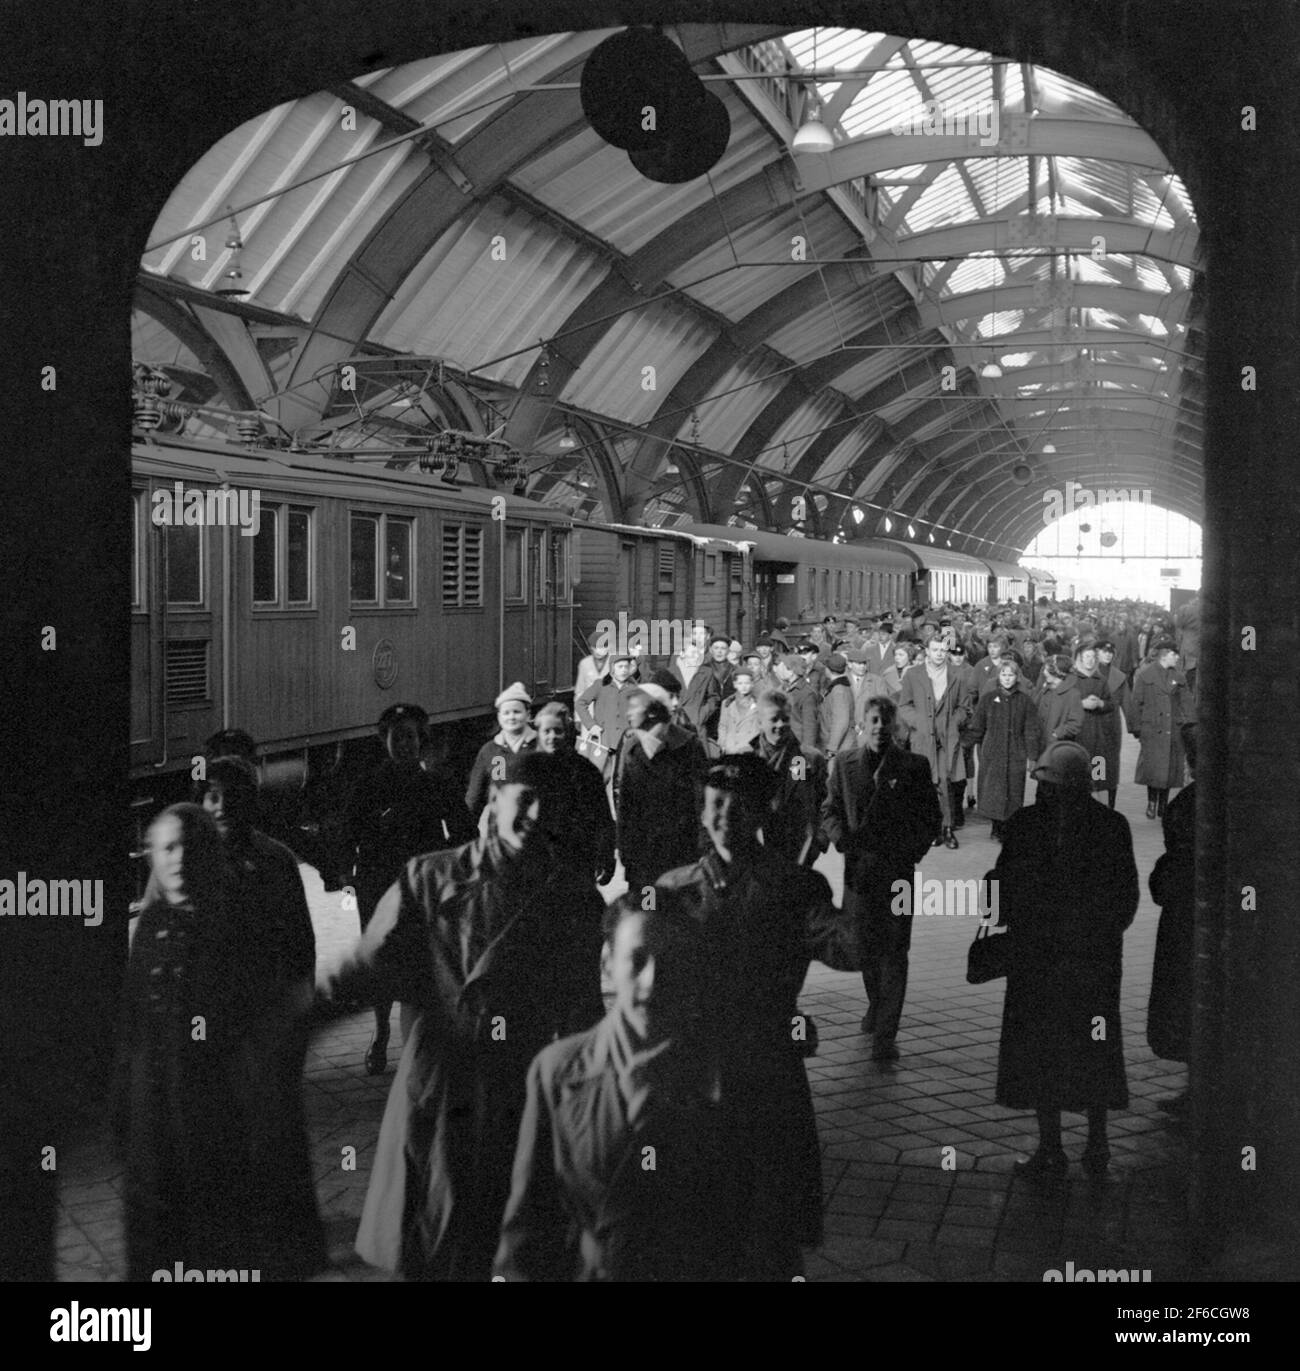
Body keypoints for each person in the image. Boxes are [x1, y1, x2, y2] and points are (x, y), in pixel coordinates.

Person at [315, 751, 605, 1282]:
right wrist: (296, 1020)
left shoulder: (572, 897)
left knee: (512, 1248)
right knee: (435, 1244)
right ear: (495, 801)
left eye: (551, 805)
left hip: (523, 1097)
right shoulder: (429, 878)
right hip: (441, 1091)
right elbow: (365, 970)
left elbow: (584, 1017)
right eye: (525, 799)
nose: (537, 815)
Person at [655, 756, 860, 1278]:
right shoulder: (672, 891)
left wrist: (869, 903)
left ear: (764, 810)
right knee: (699, 1225)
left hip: (767, 1074)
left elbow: (844, 948)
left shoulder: (794, 887)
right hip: (695, 1074)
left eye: (739, 804)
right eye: (716, 802)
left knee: (772, 1225)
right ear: (701, 812)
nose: (726, 813)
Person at [494, 895, 732, 1281]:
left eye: (671, 963)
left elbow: (762, 1234)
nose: (652, 981)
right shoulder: (557, 1070)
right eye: (637, 960)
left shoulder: (727, 1074)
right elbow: (530, 1220)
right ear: (607, 963)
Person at [113, 805, 271, 1281]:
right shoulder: (151, 926)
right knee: (154, 1225)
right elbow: (132, 1023)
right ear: (152, 858)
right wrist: (123, 1105)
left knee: (214, 1229)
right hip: (153, 1106)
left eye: (189, 846)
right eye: (166, 848)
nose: (178, 858)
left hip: (213, 1106)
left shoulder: (236, 923)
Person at [196, 757, 326, 1278]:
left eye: (233, 794)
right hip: (211, 1023)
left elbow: (301, 944)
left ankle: (292, 1239)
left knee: (278, 1132)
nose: (222, 804)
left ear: (253, 801)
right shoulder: (188, 863)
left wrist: (299, 1015)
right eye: (211, 795)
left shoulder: (276, 861)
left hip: (267, 1019)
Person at [990, 742, 1139, 1180]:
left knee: (1042, 1051)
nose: (1044, 791)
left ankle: (1053, 1148)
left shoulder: (1026, 826)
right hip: (1092, 964)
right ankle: (1095, 1145)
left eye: (1047, 784)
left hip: (1039, 961)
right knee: (1094, 1050)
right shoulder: (1111, 826)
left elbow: (1000, 890)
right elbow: (1125, 900)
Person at [342, 703, 468, 1074]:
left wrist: (458, 867)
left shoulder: (436, 783)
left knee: (425, 962)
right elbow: (347, 833)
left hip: (425, 888)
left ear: (421, 740)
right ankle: (380, 1035)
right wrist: (345, 872)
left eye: (411, 737)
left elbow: (462, 829)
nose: (404, 744)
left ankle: (420, 1041)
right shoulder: (368, 785)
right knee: (382, 962)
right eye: (397, 738)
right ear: (385, 741)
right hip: (378, 887)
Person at [820, 697, 940, 1060]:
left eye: (885, 721)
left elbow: (930, 819)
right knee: (864, 946)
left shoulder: (914, 767)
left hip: (897, 874)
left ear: (894, 727)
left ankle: (886, 1034)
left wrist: (911, 852)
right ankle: (877, 1004)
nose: (878, 727)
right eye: (872, 721)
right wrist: (840, 839)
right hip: (859, 873)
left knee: (895, 950)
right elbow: (829, 808)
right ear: (861, 724)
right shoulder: (844, 763)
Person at [612, 684, 710, 894]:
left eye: (634, 707)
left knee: (682, 917)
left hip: (682, 857)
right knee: (649, 916)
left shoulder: (689, 746)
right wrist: (625, 852)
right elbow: (625, 807)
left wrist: (706, 850)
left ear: (653, 711)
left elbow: (703, 802)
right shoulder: (632, 748)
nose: (628, 713)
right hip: (644, 860)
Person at [1147, 721, 1197, 1114]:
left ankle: (1200, 1085)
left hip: (1184, 915)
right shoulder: (1193, 801)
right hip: (1185, 910)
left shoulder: (1189, 804)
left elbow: (1176, 859)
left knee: (1185, 993)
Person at [898, 635, 975, 849]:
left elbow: (965, 708)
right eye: (935, 650)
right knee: (925, 784)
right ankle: (931, 829)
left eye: (943, 650)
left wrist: (953, 723)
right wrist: (920, 723)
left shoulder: (957, 676)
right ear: (927, 651)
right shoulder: (913, 675)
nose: (940, 654)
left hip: (947, 739)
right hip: (923, 739)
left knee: (945, 781)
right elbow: (904, 705)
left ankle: (947, 829)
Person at [533, 700, 615, 885]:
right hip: (539, 866)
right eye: (546, 731)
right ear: (538, 734)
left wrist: (607, 858)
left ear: (568, 733)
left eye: (558, 731)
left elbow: (603, 818)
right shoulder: (528, 770)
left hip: (577, 863)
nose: (552, 737)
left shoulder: (586, 771)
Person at [960, 663, 1044, 841]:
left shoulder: (1025, 701)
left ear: (1017, 677)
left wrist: (1032, 756)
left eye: (1011, 675)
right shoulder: (988, 698)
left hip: (1016, 752)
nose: (1007, 678)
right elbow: (977, 726)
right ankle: (996, 826)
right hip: (993, 752)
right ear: (998, 677)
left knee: (1014, 790)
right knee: (994, 790)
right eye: (1004, 675)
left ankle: (1009, 826)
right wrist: (963, 745)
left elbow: (1031, 730)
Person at [749, 690, 826, 865]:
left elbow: (826, 801)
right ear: (760, 722)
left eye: (785, 719)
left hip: (799, 850)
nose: (781, 725)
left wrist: (819, 839)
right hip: (758, 853)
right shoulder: (746, 759)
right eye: (774, 719)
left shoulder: (809, 758)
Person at [1130, 639, 1189, 819]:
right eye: (1174, 654)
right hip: (1152, 729)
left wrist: (1189, 726)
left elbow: (1187, 703)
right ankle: (1152, 802)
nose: (1177, 657)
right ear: (1165, 655)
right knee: (1153, 769)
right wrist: (1137, 729)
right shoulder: (1145, 675)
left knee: (1170, 769)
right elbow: (1136, 703)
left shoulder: (1179, 677)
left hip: (1172, 729)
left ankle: (1163, 804)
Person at [465, 682, 538, 818]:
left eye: (517, 712)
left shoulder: (540, 747)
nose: (511, 717)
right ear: (499, 717)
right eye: (506, 713)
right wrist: (466, 827)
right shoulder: (489, 750)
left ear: (528, 715)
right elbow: (474, 795)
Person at [576, 651, 640, 780]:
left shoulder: (634, 688)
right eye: (619, 667)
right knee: (600, 778)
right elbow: (580, 703)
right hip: (603, 741)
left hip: (624, 743)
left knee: (622, 779)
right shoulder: (600, 685)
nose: (623, 670)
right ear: (612, 668)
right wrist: (591, 725)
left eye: (626, 667)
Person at [1093, 640, 1131, 810]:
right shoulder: (1088, 673)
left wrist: (1135, 727)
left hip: (1112, 726)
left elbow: (1128, 703)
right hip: (1093, 724)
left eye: (1110, 652)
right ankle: (1097, 802)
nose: (1108, 654)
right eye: (1104, 651)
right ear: (1096, 653)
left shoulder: (1119, 676)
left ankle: (1111, 804)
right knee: (1097, 762)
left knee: (1112, 764)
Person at [772, 652, 820, 751]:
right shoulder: (784, 688)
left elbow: (809, 727)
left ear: (791, 671)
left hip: (797, 746)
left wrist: (807, 752)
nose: (780, 670)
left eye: (784, 667)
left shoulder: (806, 694)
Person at [1034, 653, 1083, 745]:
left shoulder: (1073, 695)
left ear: (1058, 673)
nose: (1044, 672)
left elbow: (1075, 723)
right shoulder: (1045, 691)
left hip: (1058, 746)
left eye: (1047, 670)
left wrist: (1056, 734)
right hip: (1040, 743)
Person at [717, 665, 762, 754]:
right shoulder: (727, 703)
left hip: (749, 750)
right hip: (731, 749)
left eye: (747, 683)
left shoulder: (758, 704)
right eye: (740, 683)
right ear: (735, 684)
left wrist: (755, 747)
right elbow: (723, 726)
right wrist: (722, 744)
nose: (744, 687)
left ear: (752, 684)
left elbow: (762, 728)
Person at [817, 651, 854, 757]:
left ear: (829, 669)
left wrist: (832, 748)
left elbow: (841, 721)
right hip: (838, 745)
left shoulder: (839, 691)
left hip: (839, 748)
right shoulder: (839, 687)